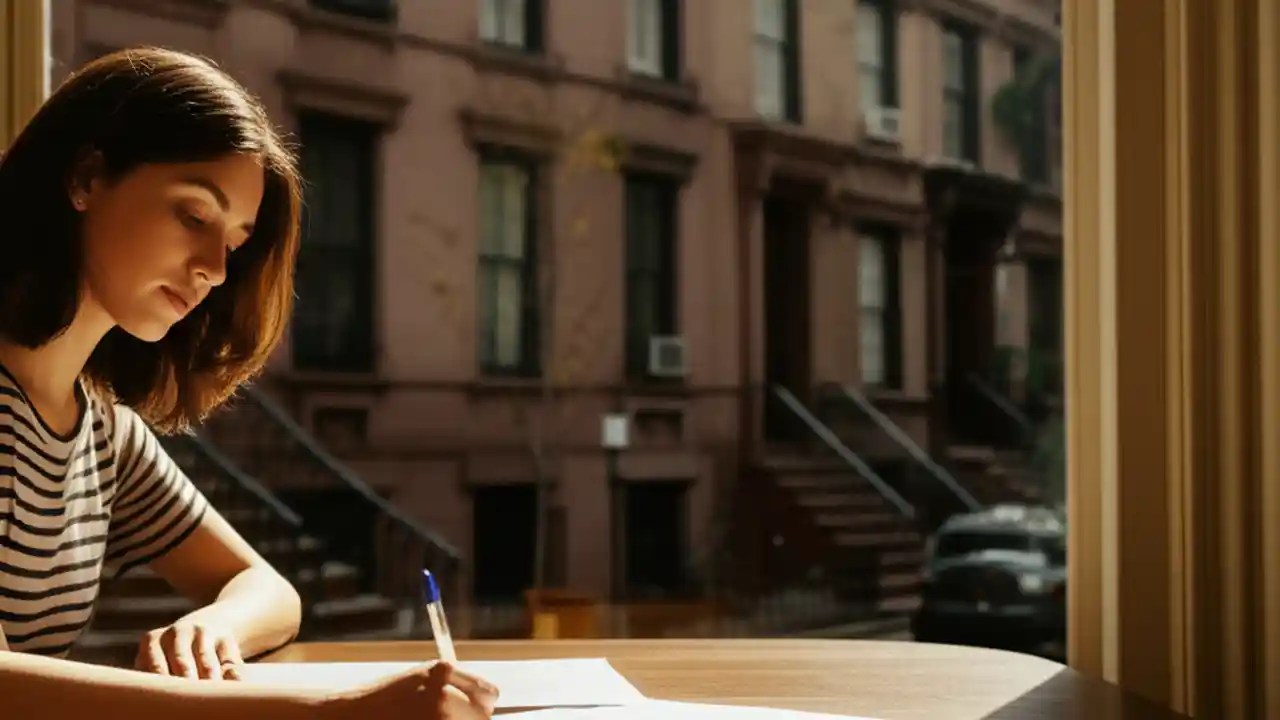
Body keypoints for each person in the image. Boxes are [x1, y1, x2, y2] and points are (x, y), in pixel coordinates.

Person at [0, 46, 497, 719]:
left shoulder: (101, 428)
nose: (214, 269)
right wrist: (334, 712)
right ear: (86, 177)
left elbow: (268, 590)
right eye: (193, 216)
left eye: (233, 243)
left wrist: (214, 628)